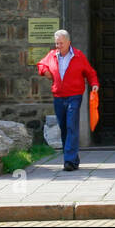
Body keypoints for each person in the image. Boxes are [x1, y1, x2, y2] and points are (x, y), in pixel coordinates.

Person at [36, 29, 98, 171]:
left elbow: (90, 72)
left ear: (68, 42)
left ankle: (68, 161)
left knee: (71, 125)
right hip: (58, 96)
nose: (58, 46)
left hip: (74, 96)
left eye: (61, 43)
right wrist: (44, 71)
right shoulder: (52, 55)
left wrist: (94, 84)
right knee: (63, 128)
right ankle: (73, 159)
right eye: (56, 43)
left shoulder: (78, 55)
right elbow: (41, 64)